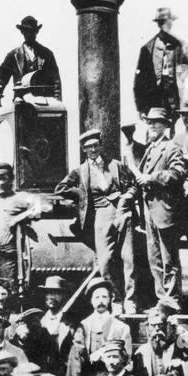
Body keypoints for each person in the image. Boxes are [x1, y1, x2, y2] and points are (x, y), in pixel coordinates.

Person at [54, 129, 139, 313]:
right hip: (100, 216)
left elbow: (133, 185)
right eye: (89, 147)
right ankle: (116, 299)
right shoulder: (81, 171)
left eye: (95, 145)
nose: (93, 149)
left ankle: (130, 301)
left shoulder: (115, 165)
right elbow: (60, 188)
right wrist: (82, 194)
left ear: (100, 146)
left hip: (123, 213)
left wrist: (126, 198)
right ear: (84, 149)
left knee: (128, 258)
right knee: (105, 261)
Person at [135, 108, 187, 306]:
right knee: (154, 259)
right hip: (149, 211)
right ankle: (162, 299)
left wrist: (152, 178)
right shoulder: (150, 148)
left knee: (169, 260)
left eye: (157, 122)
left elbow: (177, 174)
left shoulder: (171, 147)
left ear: (166, 126)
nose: (152, 126)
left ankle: (172, 299)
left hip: (165, 211)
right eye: (150, 122)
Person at [66, 280, 130, 376]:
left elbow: (127, 358)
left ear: (110, 299)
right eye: (96, 297)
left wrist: (103, 352)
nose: (100, 301)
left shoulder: (121, 327)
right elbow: (77, 358)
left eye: (104, 297)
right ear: (91, 300)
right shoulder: (83, 326)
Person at [134, 7, 188, 120]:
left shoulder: (180, 46)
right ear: (158, 24)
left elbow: (187, 75)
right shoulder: (147, 49)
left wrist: (186, 100)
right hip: (155, 101)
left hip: (175, 99)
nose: (166, 25)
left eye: (168, 22)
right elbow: (139, 81)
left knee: (175, 132)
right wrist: (141, 107)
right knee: (156, 129)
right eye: (162, 22)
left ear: (171, 22)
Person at [0, 15, 61, 103]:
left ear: (36, 31)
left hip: (44, 102)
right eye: (26, 31)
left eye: (32, 31)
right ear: (22, 32)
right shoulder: (13, 55)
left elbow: (56, 80)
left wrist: (58, 101)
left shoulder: (47, 54)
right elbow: (1, 74)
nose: (29, 34)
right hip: (21, 101)